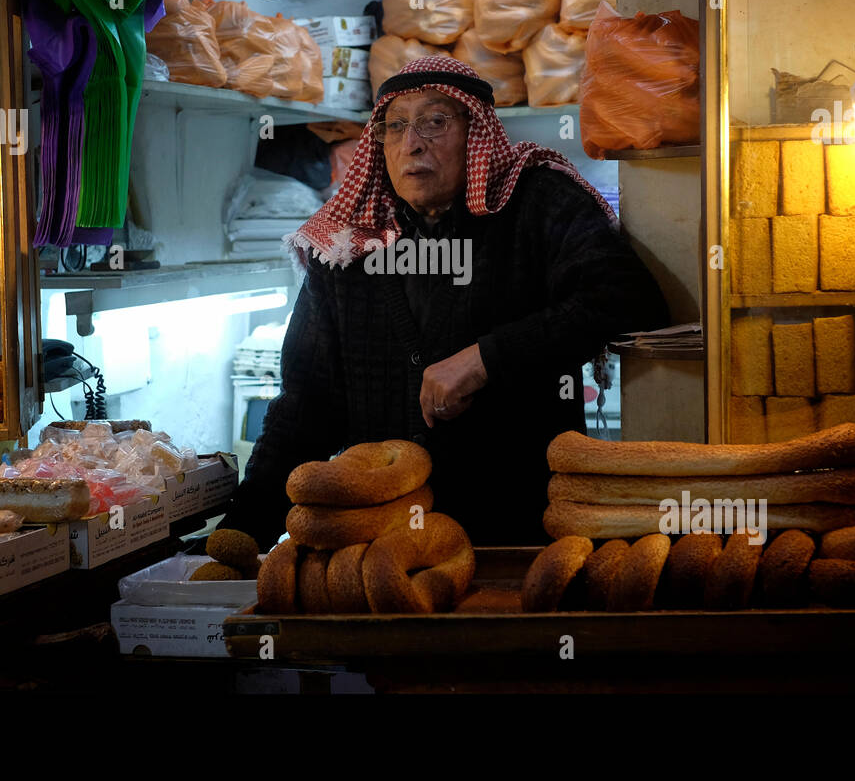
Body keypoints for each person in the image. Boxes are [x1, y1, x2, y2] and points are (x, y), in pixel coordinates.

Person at [218, 56, 668, 548]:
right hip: (379, 542)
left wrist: (484, 360)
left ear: (475, 132)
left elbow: (629, 296)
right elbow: (306, 407)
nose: (413, 143)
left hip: (516, 531)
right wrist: (242, 531)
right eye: (396, 127)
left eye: (435, 122)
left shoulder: (536, 203)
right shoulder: (348, 240)